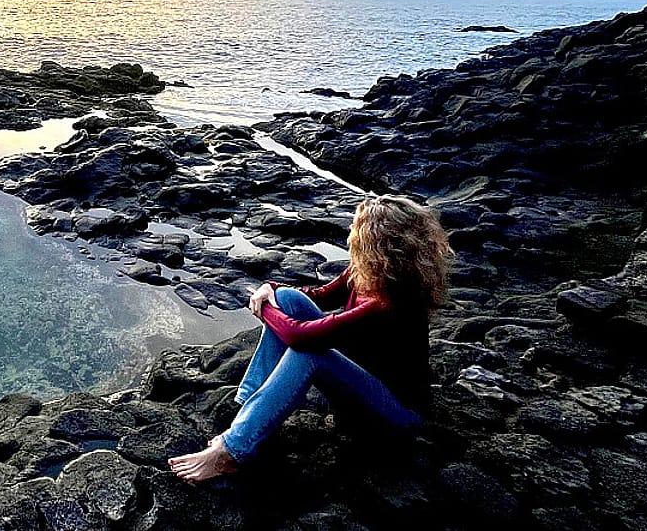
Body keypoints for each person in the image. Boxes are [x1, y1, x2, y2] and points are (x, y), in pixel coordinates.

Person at [169, 193, 450, 482]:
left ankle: (231, 453)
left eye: (358, 228)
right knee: (287, 299)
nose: (351, 232)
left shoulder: (391, 301)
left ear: (376, 243)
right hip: (360, 379)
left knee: (309, 354)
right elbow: (320, 295)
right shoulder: (369, 272)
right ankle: (248, 413)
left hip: (395, 415)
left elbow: (300, 338)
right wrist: (272, 288)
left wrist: (266, 308)